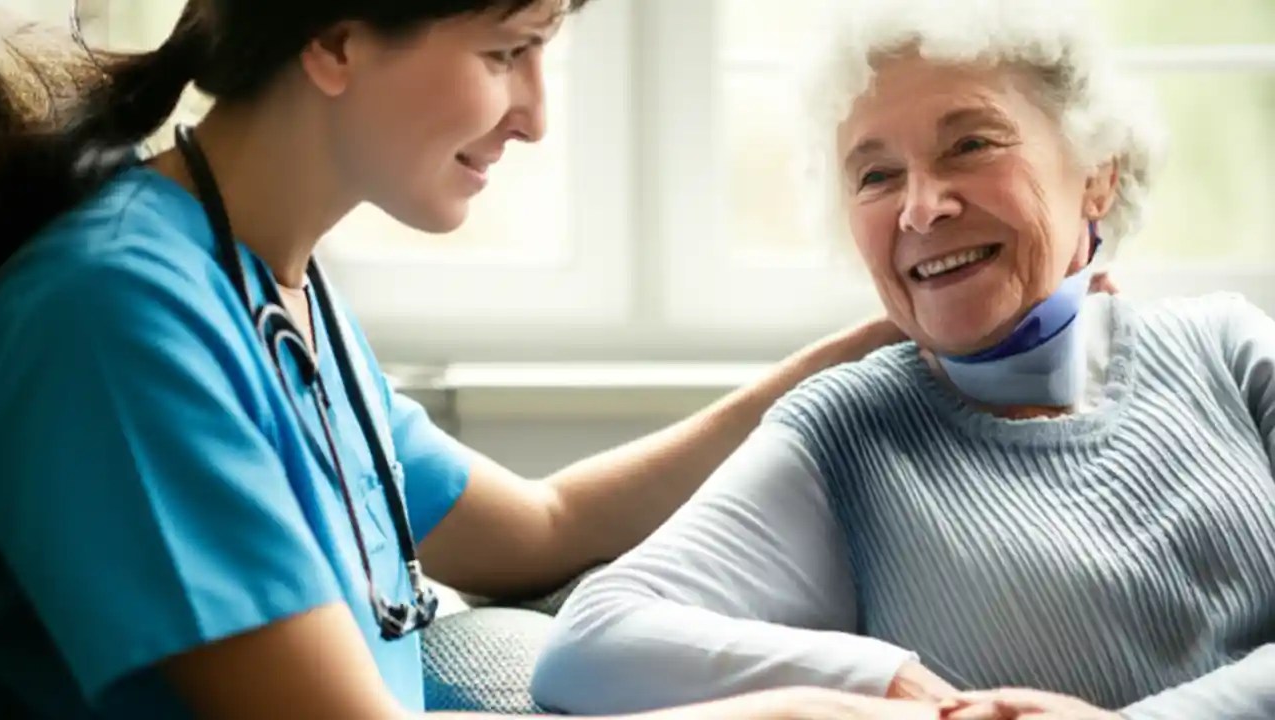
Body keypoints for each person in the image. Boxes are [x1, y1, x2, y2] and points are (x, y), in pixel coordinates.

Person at [0, 1, 954, 719]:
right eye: (507, 54)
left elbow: (540, 525)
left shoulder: (271, 281)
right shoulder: (118, 319)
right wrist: (775, 709)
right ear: (334, 40)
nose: (535, 116)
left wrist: (848, 357)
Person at [529, 1, 1275, 719]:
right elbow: (591, 644)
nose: (921, 207)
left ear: (1097, 173)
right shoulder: (847, 432)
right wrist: (887, 685)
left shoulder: (1226, 347)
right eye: (876, 176)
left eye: (971, 144)